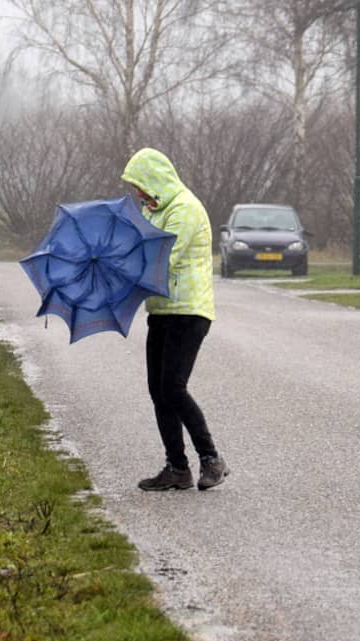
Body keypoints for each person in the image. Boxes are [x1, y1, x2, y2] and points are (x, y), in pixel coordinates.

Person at [121, 147, 229, 491]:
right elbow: (137, 249)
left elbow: (163, 258)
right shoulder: (152, 211)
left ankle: (211, 459)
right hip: (161, 310)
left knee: (173, 387)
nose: (138, 194)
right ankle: (177, 468)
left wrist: (126, 271)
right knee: (158, 390)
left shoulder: (184, 209)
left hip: (188, 310)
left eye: (140, 185)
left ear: (154, 180)